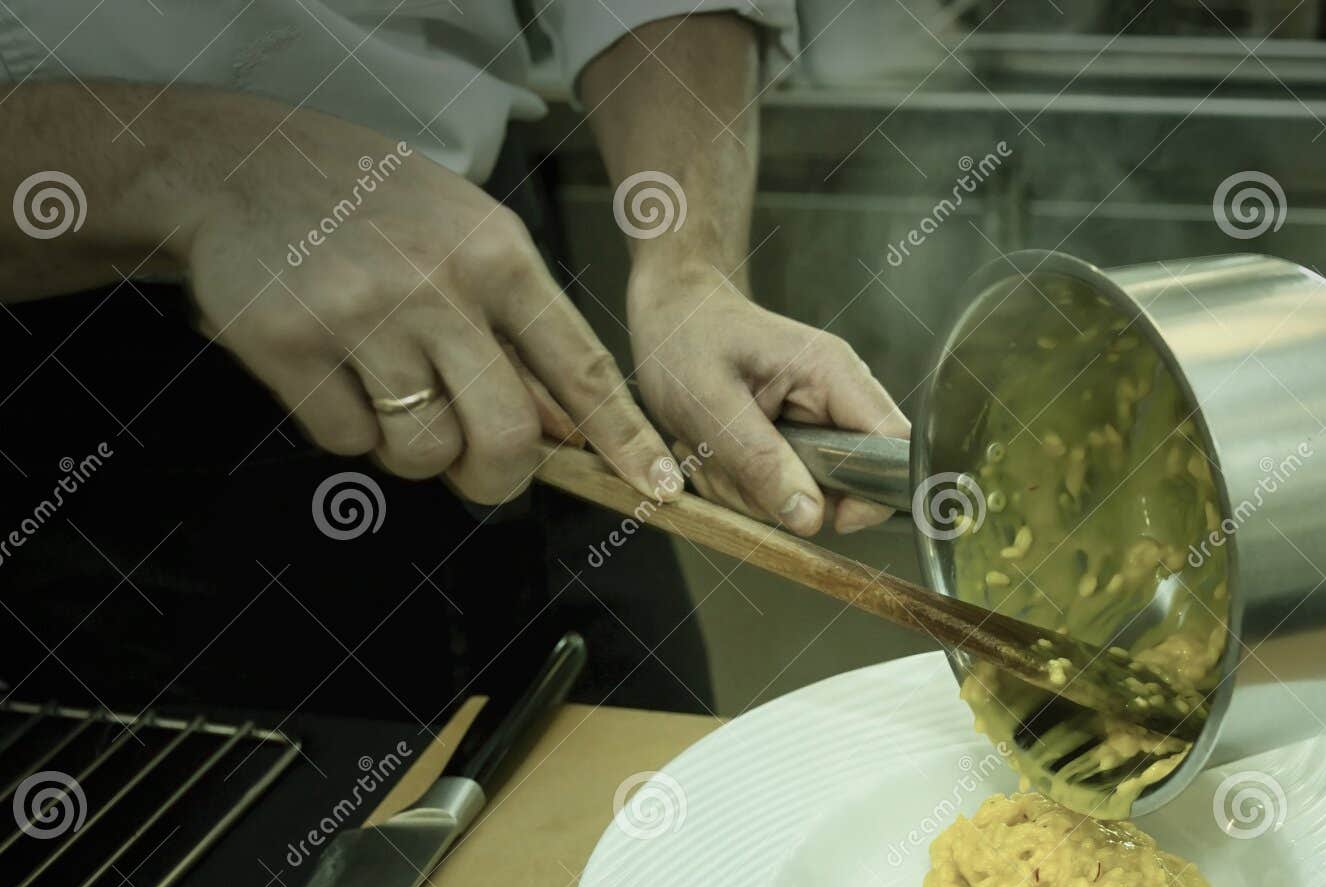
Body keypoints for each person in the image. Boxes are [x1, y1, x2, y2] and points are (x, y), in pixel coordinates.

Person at [0, 2, 909, 724]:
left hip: (493, 279)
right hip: (91, 403)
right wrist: (206, 174)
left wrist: (689, 265)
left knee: (650, 808)